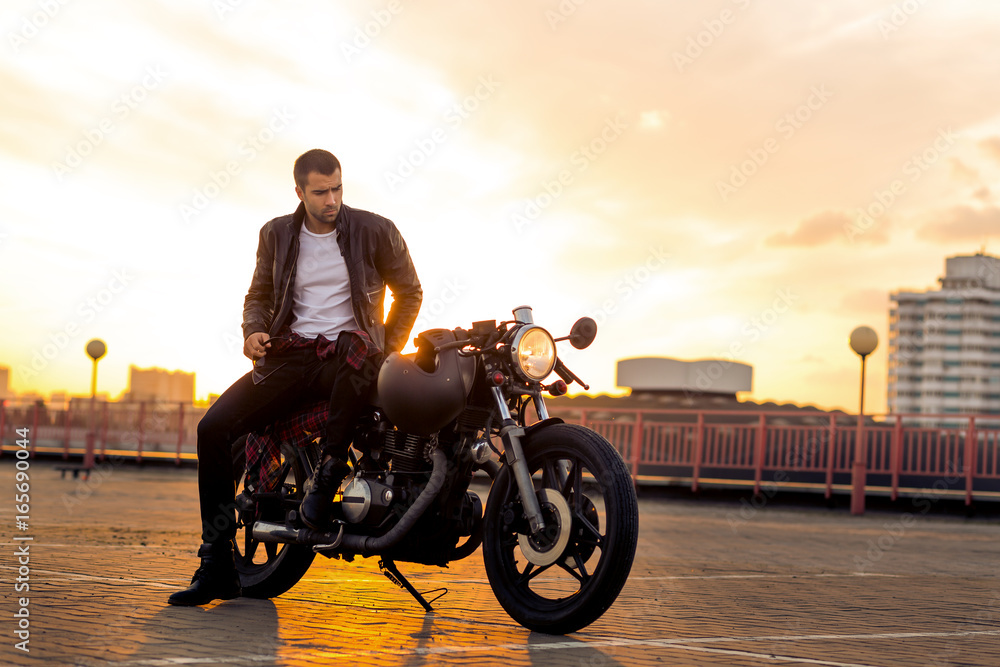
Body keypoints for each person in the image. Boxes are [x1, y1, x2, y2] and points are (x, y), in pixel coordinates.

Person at [168, 149, 422, 606]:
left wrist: (387, 350)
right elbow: (259, 294)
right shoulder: (277, 234)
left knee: (359, 353)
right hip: (291, 354)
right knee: (213, 427)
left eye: (338, 188)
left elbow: (410, 290)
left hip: (350, 356)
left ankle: (327, 480)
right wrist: (253, 331)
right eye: (321, 191)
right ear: (300, 192)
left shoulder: (374, 229)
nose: (332, 199)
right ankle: (217, 564)